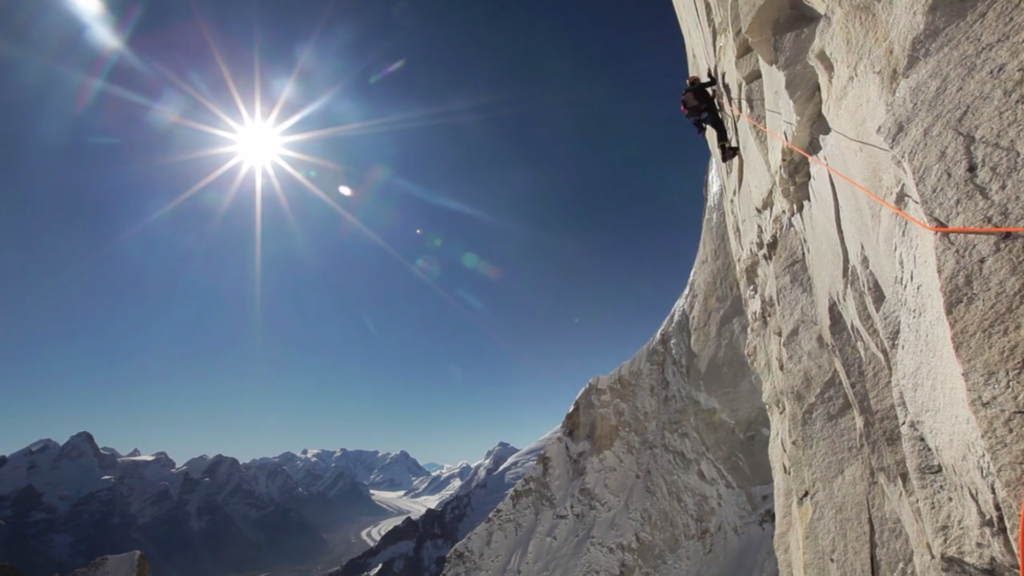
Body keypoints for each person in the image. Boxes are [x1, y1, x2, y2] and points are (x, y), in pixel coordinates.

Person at [681, 69, 740, 162]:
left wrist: (712, 97)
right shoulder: (698, 87)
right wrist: (710, 76)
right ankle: (725, 152)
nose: (699, 81)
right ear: (695, 81)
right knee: (719, 127)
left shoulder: (688, 94)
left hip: (701, 117)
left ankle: (725, 151)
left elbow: (703, 102)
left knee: (718, 128)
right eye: (697, 80)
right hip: (708, 113)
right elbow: (713, 82)